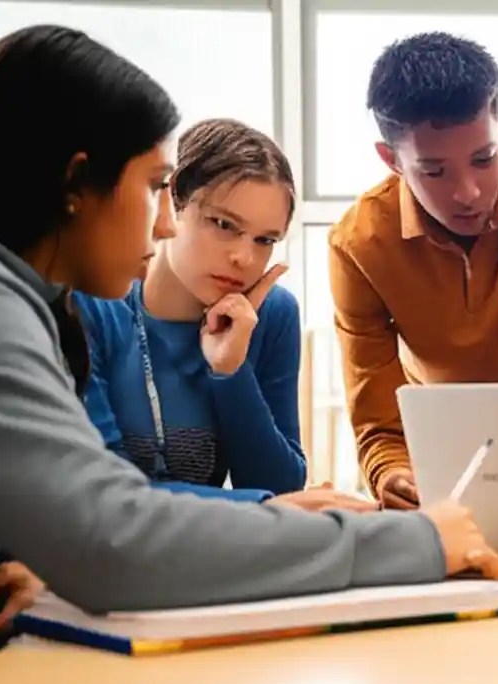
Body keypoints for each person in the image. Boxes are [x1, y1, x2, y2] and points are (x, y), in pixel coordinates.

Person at [0, 24, 498, 684]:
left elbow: (66, 520)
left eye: (264, 237)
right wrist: (414, 543)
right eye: (157, 186)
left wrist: (26, 552)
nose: (163, 223)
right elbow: (114, 538)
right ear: (77, 182)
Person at [330, 32, 498, 510]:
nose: (468, 191)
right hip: (439, 464)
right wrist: (391, 474)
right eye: (434, 171)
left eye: (484, 158)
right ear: (391, 160)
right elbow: (377, 419)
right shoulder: (357, 244)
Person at [75, 118, 360, 510]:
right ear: (172, 199)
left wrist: (230, 371)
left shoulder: (271, 315)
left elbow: (280, 487)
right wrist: (259, 508)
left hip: (217, 556)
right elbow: (101, 491)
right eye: (224, 225)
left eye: (265, 240)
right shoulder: (93, 305)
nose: (244, 257)